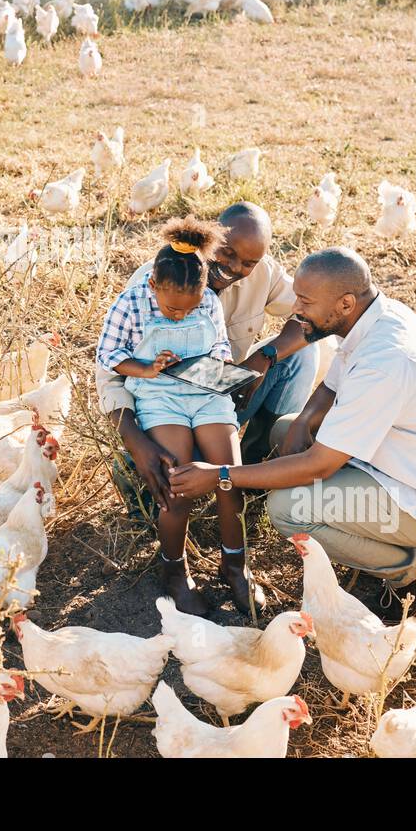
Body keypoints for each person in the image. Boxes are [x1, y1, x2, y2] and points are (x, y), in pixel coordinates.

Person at [169, 246, 416, 617]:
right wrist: (303, 423)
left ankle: (410, 573)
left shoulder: (385, 363)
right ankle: (379, 537)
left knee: (289, 509)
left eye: (304, 300)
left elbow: (319, 466)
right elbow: (332, 385)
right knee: (284, 430)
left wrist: (222, 477)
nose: (295, 308)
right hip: (407, 465)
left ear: (345, 303)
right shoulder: (376, 317)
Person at [96, 202, 320, 602]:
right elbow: (108, 375)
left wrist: (259, 360)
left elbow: (312, 318)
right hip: (154, 410)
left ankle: (244, 521)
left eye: (248, 262)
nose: (234, 267)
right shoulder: (149, 286)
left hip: (216, 395)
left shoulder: (257, 273)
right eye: (228, 252)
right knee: (170, 489)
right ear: (211, 236)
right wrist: (137, 443)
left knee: (300, 353)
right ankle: (172, 567)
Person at [96, 217, 243, 615]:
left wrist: (220, 368)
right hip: (159, 395)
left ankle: (235, 566)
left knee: (231, 476)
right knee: (176, 483)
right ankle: (175, 573)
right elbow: (108, 356)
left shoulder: (208, 300)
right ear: (152, 287)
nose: (179, 316)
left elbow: (221, 345)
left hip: (205, 391)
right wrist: (148, 369)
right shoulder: (130, 303)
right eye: (172, 308)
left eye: (189, 308)